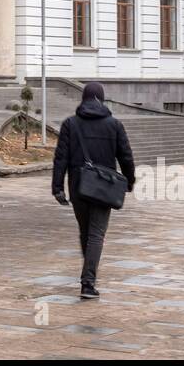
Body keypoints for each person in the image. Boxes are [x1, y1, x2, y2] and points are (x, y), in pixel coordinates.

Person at [51, 82, 135, 300]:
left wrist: (57, 187)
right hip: (104, 187)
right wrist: (129, 181)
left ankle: (88, 272)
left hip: (78, 186)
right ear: (101, 99)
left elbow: (60, 158)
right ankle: (88, 282)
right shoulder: (114, 125)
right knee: (96, 234)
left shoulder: (71, 124)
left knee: (85, 231)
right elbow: (126, 156)